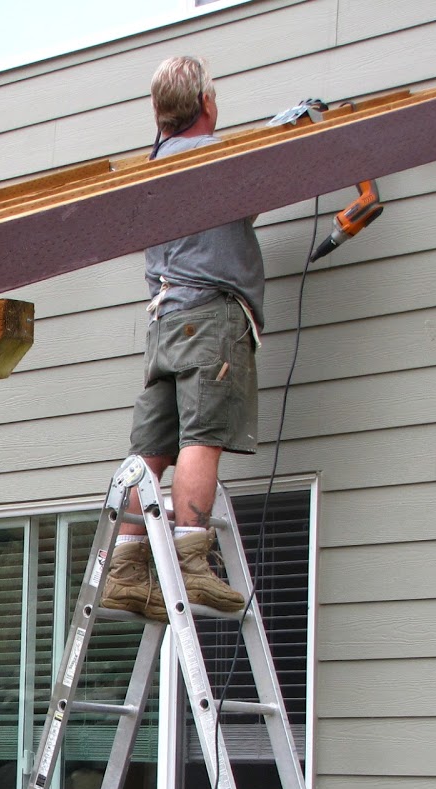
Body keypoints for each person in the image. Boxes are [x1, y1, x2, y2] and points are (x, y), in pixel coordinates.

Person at [101, 54, 262, 621]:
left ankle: (124, 569)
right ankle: (192, 561)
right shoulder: (222, 161)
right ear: (206, 102)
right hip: (209, 318)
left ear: (158, 113)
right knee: (202, 437)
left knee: (150, 451)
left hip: (163, 324)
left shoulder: (150, 170)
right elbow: (274, 175)